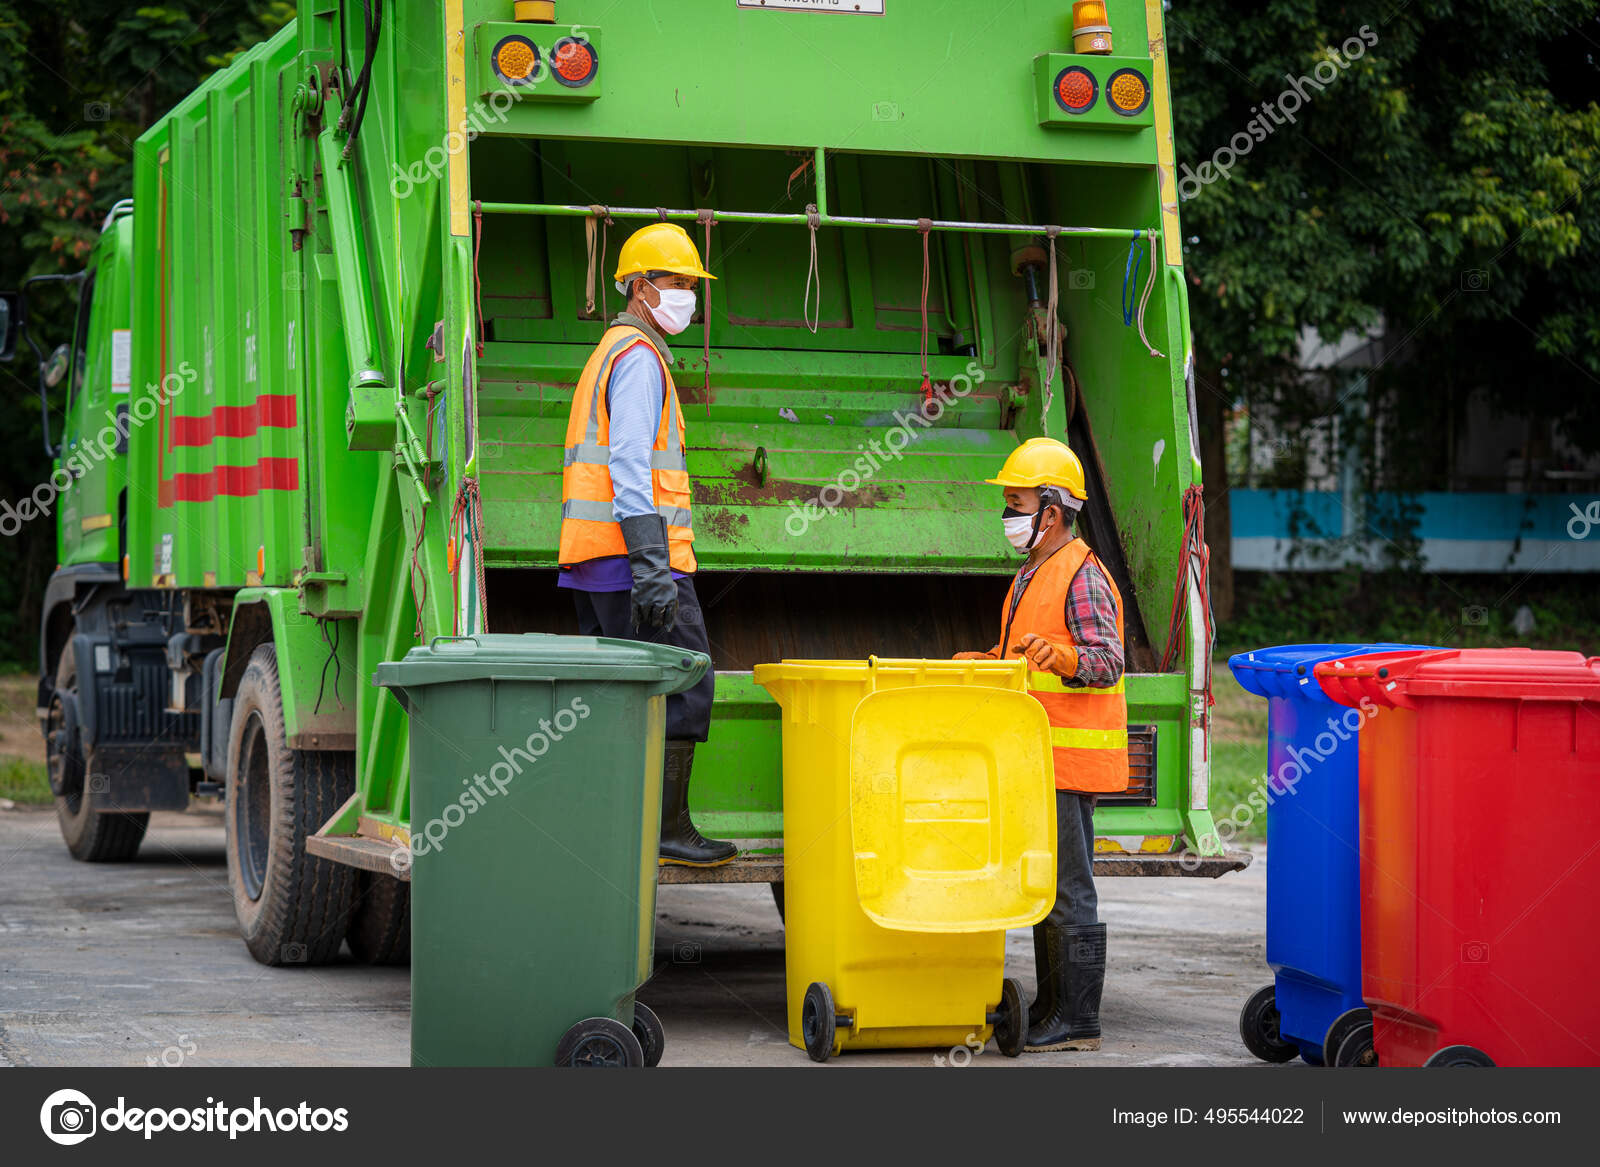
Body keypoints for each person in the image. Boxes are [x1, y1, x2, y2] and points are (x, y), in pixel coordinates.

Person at [557, 222, 736, 867]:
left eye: (691, 284)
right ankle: (668, 831)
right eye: (672, 281)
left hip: (602, 558)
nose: (685, 294)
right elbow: (630, 463)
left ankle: (620, 829)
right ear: (636, 288)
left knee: (624, 696)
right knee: (686, 682)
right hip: (635, 561)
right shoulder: (638, 359)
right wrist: (653, 565)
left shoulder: (611, 351)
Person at [953, 437, 1128, 1051]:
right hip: (1038, 760)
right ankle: (1054, 1007)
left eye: (1016, 500)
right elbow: (1025, 660)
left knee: (1070, 889)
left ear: (1050, 512)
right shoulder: (1035, 571)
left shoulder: (1080, 574)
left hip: (1069, 759)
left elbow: (1107, 662)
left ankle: (1078, 1018)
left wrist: (1066, 657)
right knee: (1046, 887)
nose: (1008, 512)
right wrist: (986, 663)